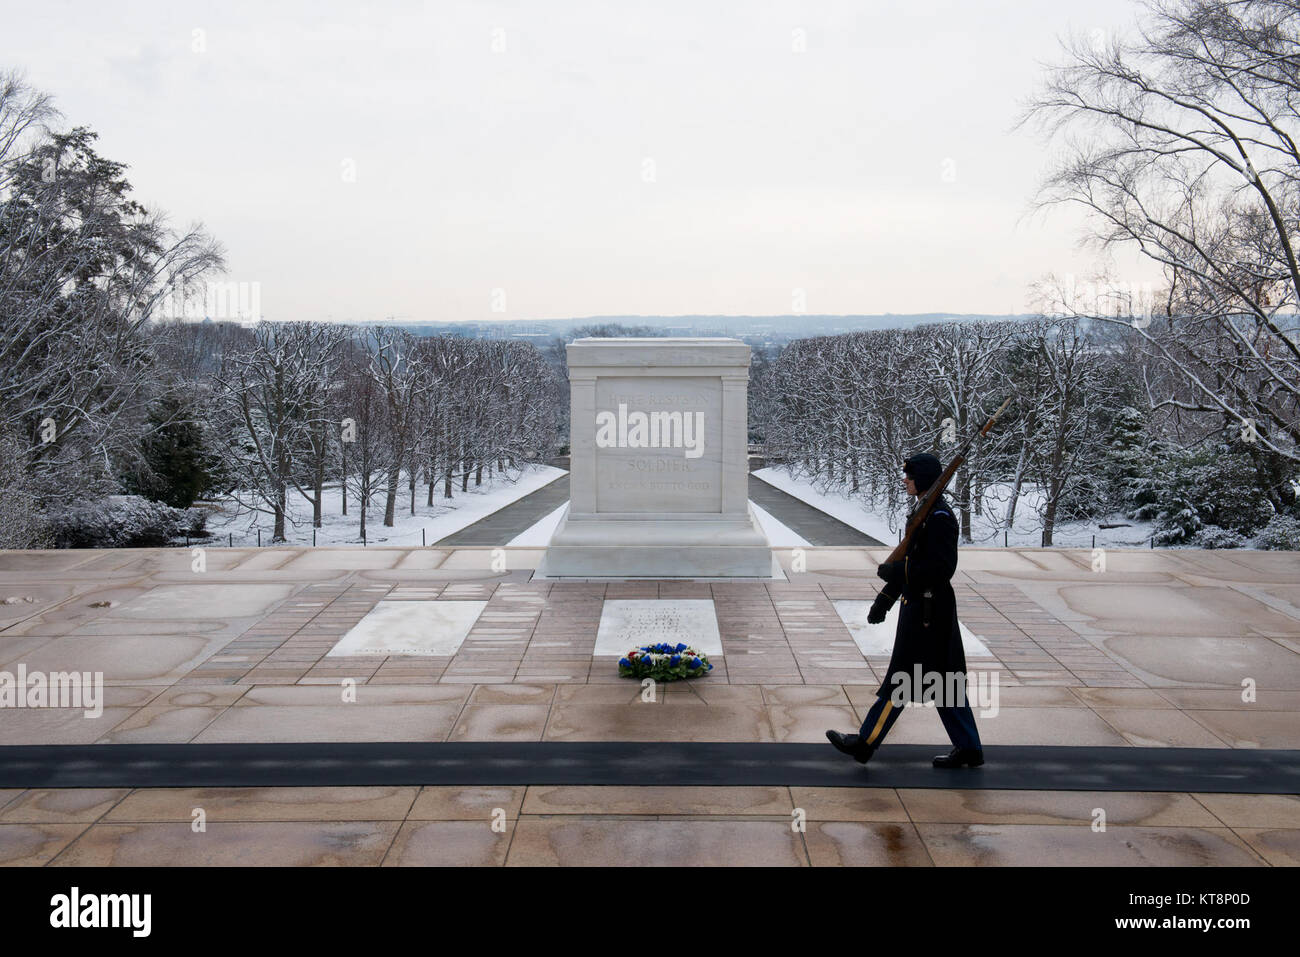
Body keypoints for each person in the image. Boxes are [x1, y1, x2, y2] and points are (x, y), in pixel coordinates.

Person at [825, 452, 984, 768]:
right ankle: (969, 747)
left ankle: (865, 743)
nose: (904, 480)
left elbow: (940, 569)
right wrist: (885, 598)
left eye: (909, 477)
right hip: (927, 609)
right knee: (944, 682)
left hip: (928, 613)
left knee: (902, 680)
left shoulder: (939, 518)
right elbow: (909, 556)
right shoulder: (925, 513)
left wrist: (898, 574)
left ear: (922, 480)